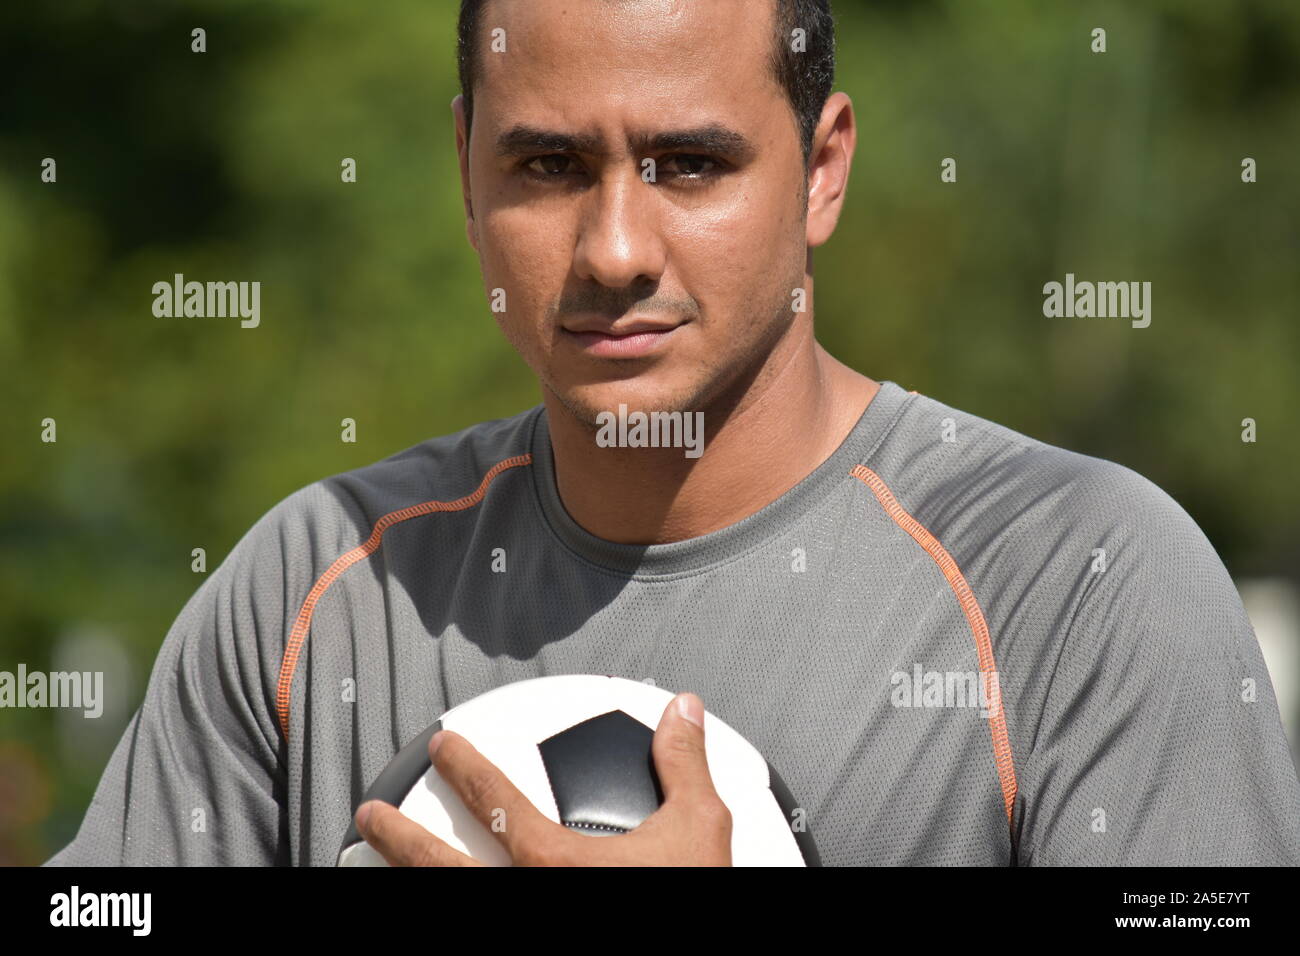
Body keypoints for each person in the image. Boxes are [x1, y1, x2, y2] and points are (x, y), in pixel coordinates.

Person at [47, 0, 1300, 866]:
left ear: (821, 170)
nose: (613, 250)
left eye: (689, 164)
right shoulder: (315, 586)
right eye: (543, 165)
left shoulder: (1080, 580)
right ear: (463, 170)